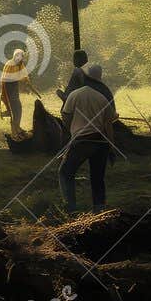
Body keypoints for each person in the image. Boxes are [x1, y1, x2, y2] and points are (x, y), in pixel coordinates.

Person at [59, 63, 117, 212]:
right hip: (101, 142)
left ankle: (70, 208)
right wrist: (111, 147)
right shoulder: (102, 98)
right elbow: (108, 126)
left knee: (65, 173)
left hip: (82, 141)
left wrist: (72, 130)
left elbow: (65, 116)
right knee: (97, 178)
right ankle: (99, 210)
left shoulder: (75, 95)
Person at [0, 47, 34, 139]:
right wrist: (22, 79)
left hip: (13, 88)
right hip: (8, 88)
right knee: (15, 110)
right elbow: (10, 78)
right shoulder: (11, 64)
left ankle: (17, 128)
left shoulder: (19, 64)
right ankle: (14, 132)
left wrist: (27, 81)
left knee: (17, 109)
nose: (22, 59)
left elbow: (24, 74)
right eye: (22, 57)